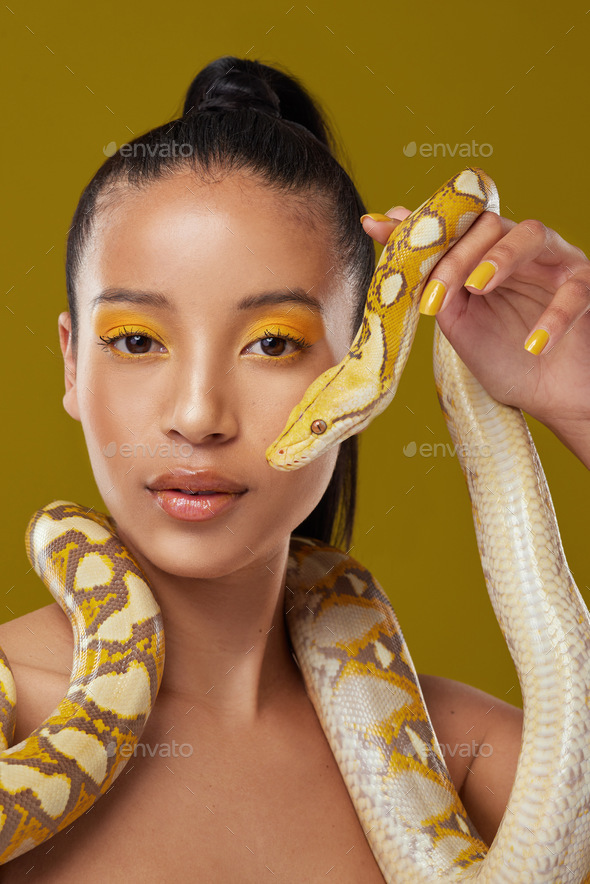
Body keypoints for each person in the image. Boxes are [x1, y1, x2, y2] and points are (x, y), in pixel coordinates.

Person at [1, 54, 588, 881]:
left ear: (360, 365)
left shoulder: (475, 753)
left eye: (273, 344)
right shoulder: (15, 714)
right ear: (71, 366)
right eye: (137, 341)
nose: (198, 415)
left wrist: (582, 406)